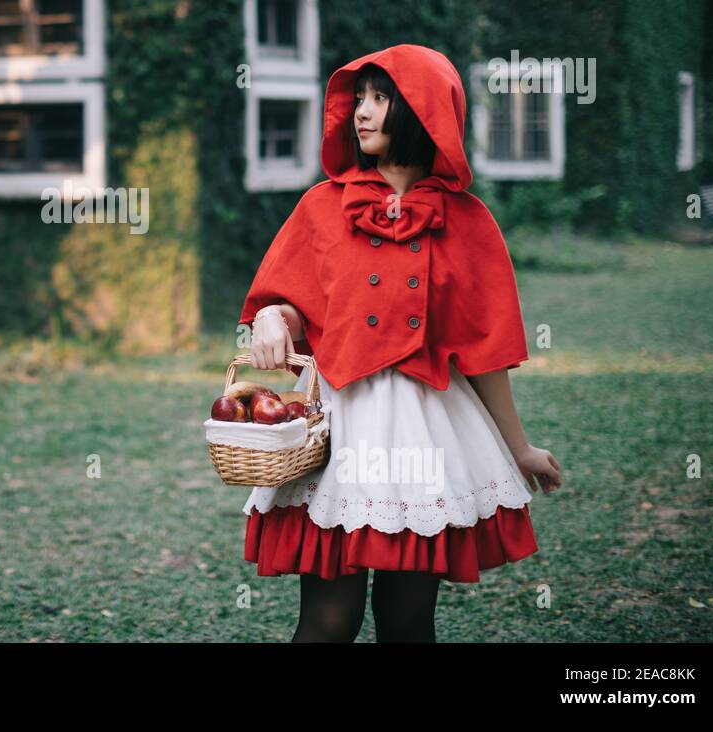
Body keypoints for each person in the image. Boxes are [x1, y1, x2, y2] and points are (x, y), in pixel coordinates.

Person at [236, 43, 563, 643]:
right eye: (359, 98)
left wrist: (519, 449)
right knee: (329, 622)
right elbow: (289, 300)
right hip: (340, 432)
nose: (361, 112)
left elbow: (485, 353)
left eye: (381, 99)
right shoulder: (321, 206)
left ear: (422, 110)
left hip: (427, 434)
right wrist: (272, 320)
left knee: (408, 622)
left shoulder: (468, 221)